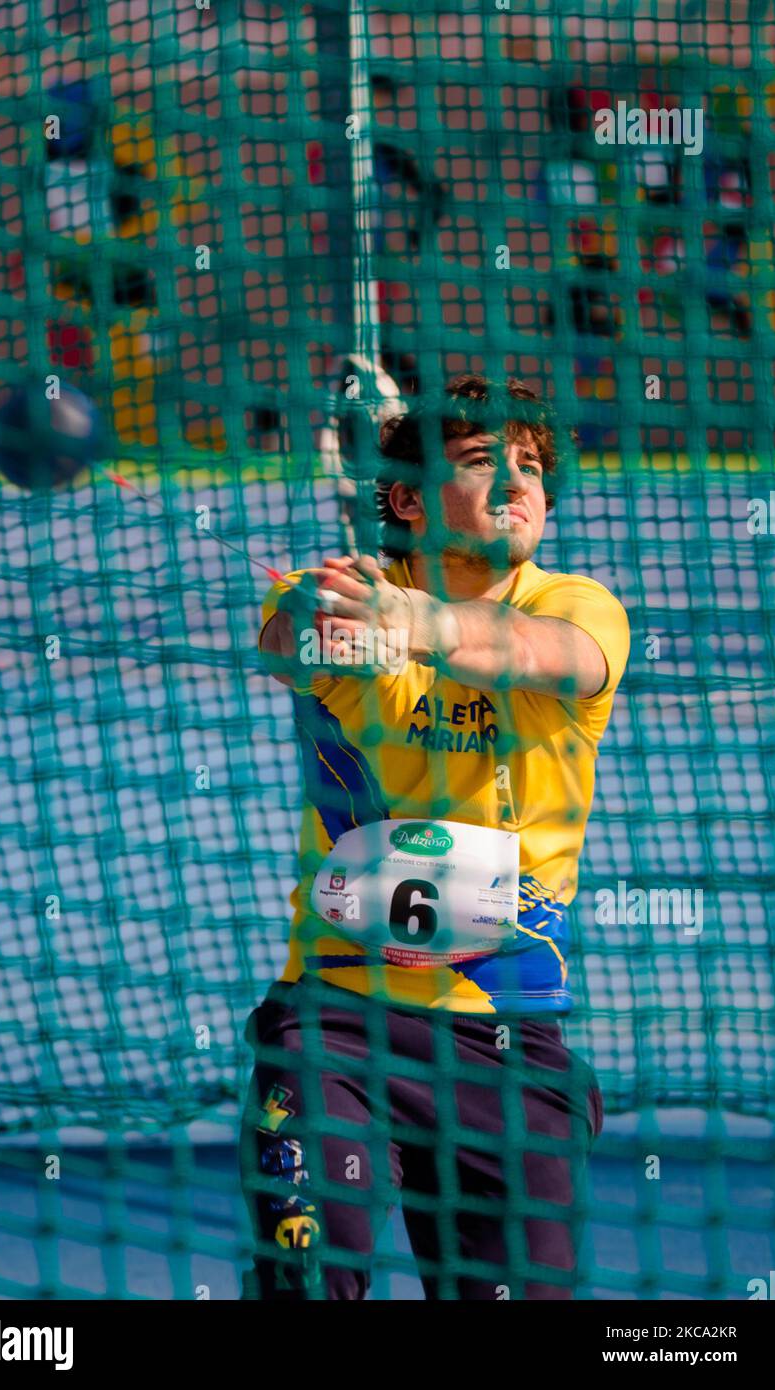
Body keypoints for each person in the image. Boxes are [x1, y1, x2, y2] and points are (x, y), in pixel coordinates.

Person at [239, 373, 630, 1300]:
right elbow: (287, 638)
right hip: (336, 1027)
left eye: (530, 466)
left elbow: (536, 654)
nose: (516, 484)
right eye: (480, 462)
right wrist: (331, 628)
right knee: (303, 1273)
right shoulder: (344, 592)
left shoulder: (578, 606)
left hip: (505, 1040)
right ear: (409, 498)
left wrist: (421, 625)